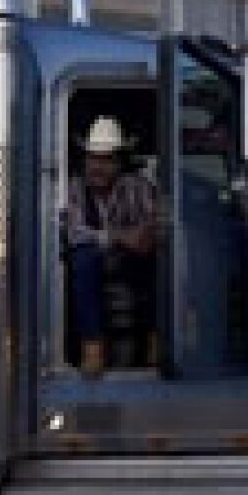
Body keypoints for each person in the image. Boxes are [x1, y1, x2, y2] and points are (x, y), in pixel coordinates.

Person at [64, 115, 157, 377]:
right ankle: (92, 347)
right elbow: (74, 233)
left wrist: (139, 237)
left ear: (118, 162)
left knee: (161, 259)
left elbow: (153, 227)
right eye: (93, 158)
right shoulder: (73, 188)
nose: (98, 166)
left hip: (133, 263)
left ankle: (158, 340)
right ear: (85, 160)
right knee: (83, 258)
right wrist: (120, 236)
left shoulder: (137, 186)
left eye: (107, 159)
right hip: (92, 267)